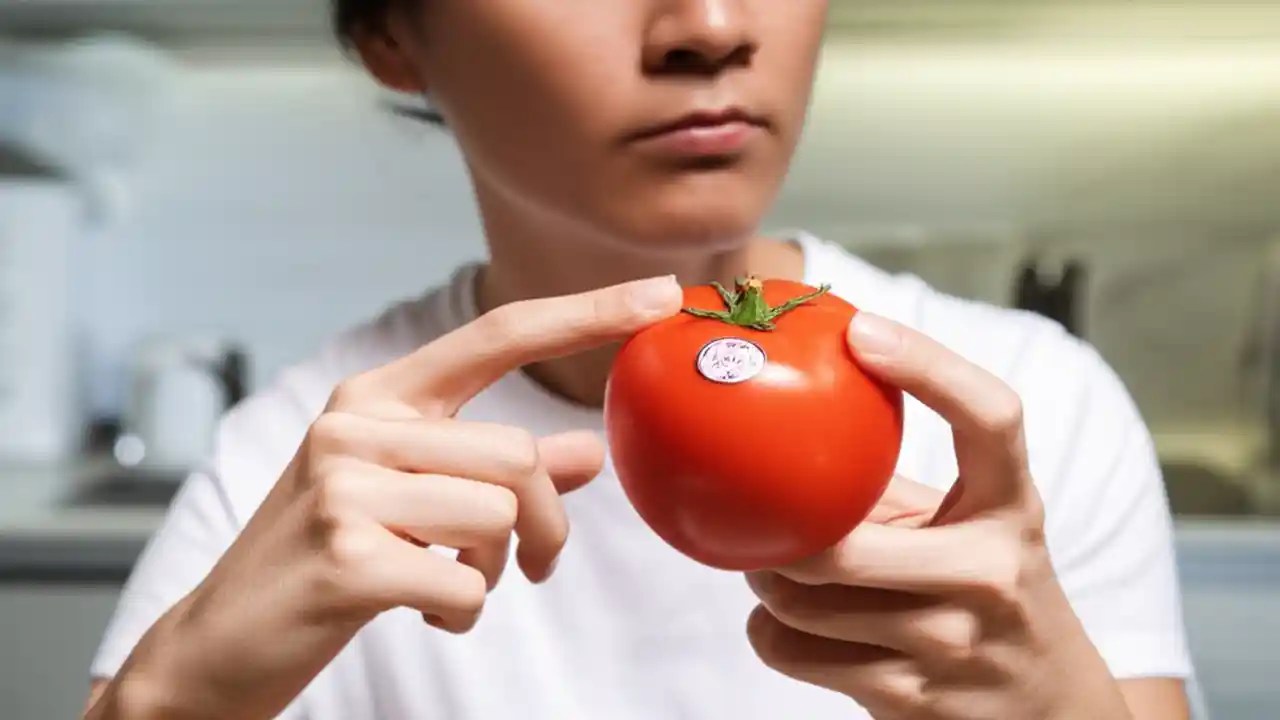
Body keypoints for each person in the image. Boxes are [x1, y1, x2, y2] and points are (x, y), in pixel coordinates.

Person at [84, 2, 1195, 718]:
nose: (709, 27)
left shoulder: (1028, 407)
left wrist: (1057, 709)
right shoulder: (307, 459)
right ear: (391, 33)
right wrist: (173, 701)